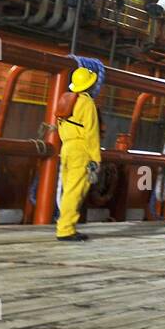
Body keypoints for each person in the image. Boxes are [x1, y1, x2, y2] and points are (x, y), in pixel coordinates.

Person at [56, 66, 101, 242]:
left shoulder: (66, 99)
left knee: (68, 189)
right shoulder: (87, 103)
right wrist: (96, 158)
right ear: (89, 84)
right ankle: (66, 229)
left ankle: (64, 226)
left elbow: (60, 124)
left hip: (66, 147)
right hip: (81, 149)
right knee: (75, 191)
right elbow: (92, 132)